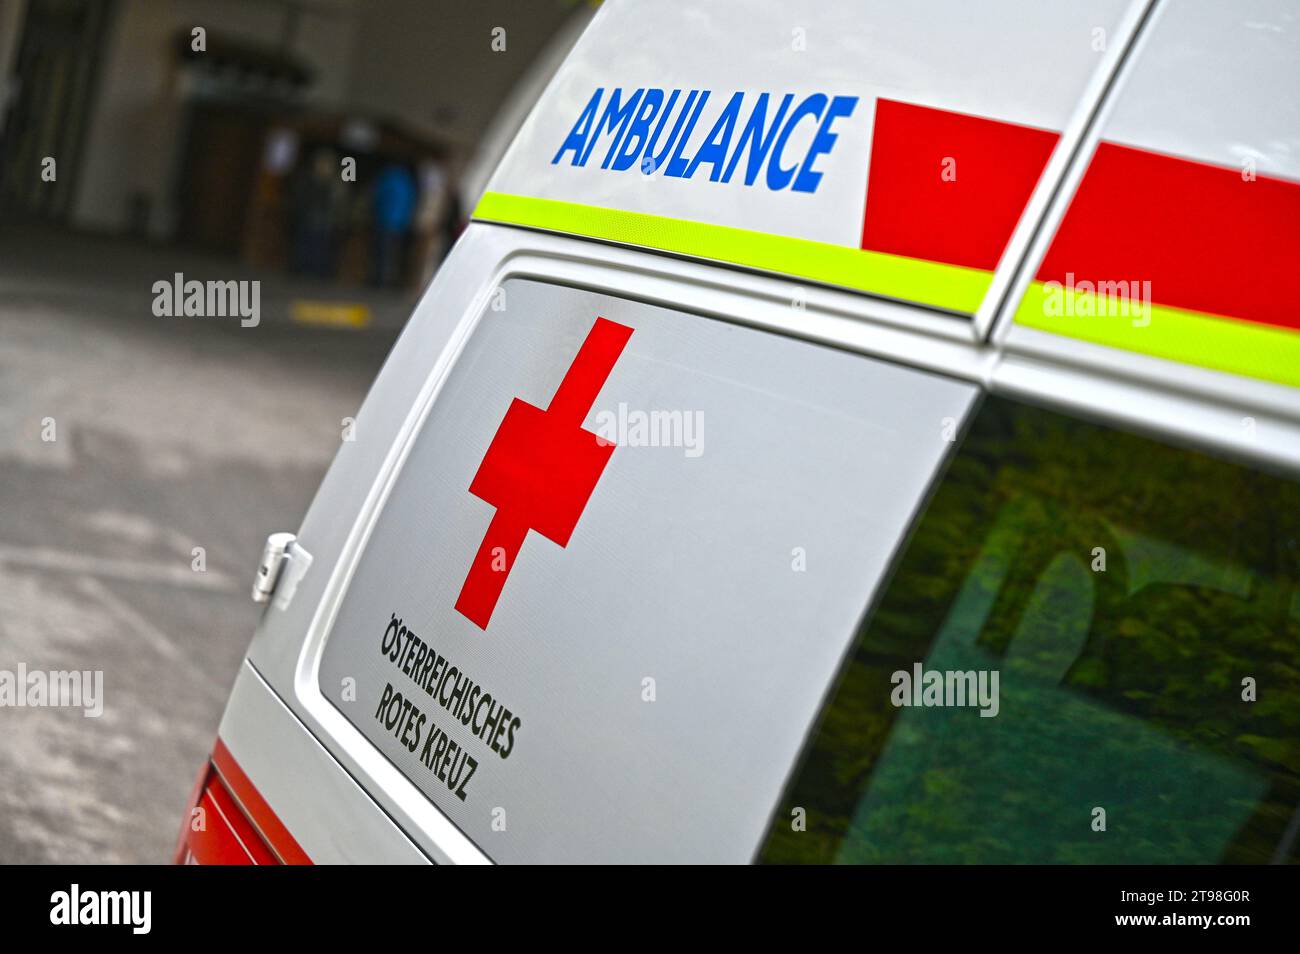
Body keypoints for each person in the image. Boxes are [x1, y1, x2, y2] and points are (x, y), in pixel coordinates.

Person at [371, 163, 417, 287]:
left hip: (385, 220)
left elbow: (378, 197)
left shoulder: (387, 179)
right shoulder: (407, 183)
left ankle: (380, 280)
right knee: (394, 254)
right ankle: (389, 280)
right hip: (400, 224)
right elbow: (410, 203)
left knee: (382, 253)